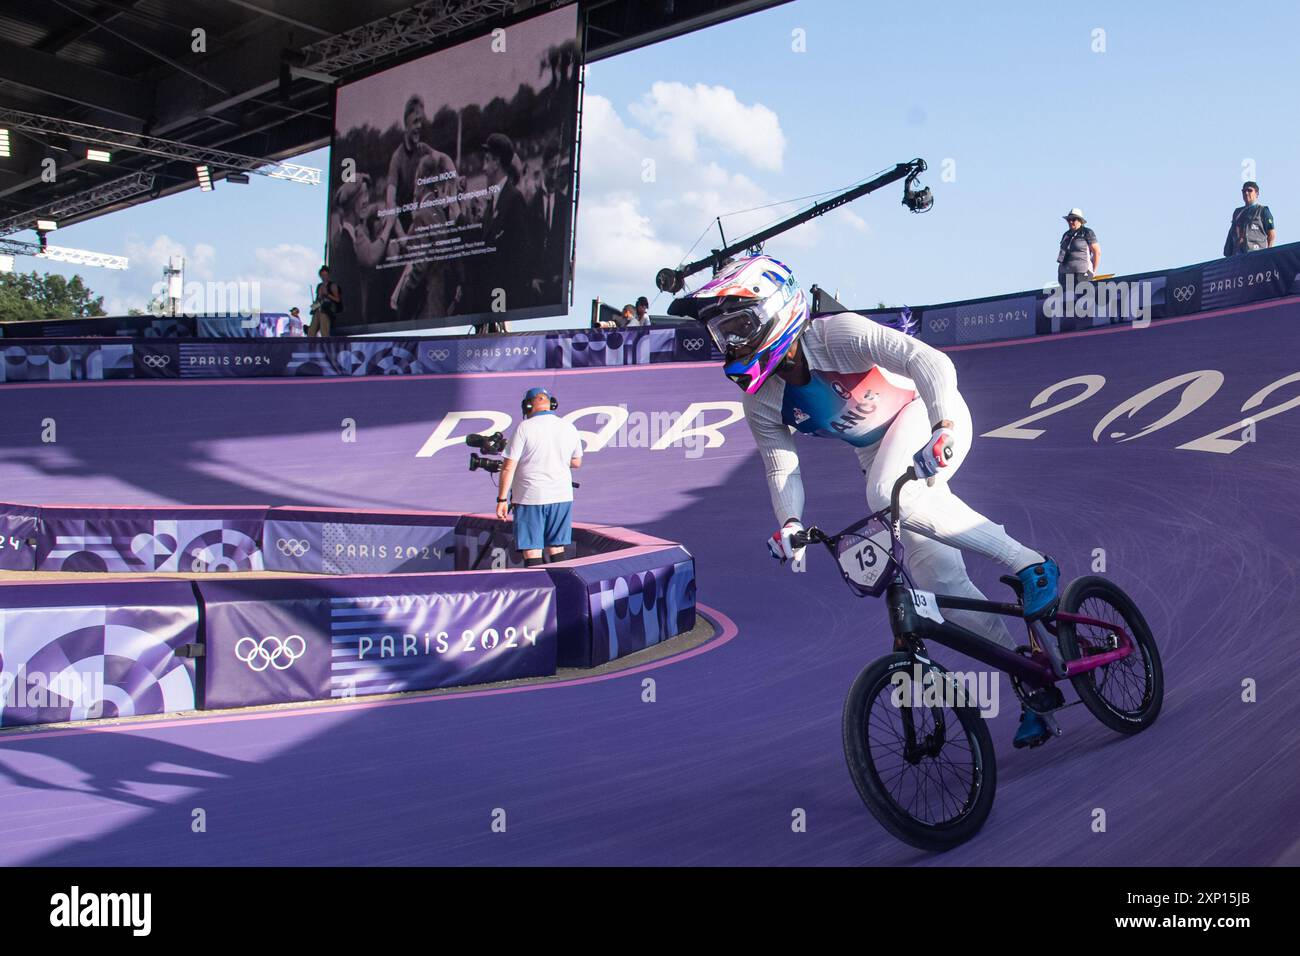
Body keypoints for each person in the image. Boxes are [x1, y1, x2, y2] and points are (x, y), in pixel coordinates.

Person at [674, 254, 1062, 749]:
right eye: (721, 333)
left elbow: (931, 362)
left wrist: (942, 423)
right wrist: (790, 523)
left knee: (883, 494)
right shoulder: (761, 399)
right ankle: (1033, 678)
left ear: (778, 309)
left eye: (739, 325)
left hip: (929, 416)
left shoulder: (836, 334)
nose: (730, 342)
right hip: (880, 452)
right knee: (942, 586)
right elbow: (780, 465)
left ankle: (1031, 564)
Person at [496, 387, 583, 566]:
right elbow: (576, 462)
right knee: (556, 547)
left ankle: (539, 593)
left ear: (528, 406)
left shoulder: (524, 427)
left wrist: (502, 499)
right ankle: (560, 590)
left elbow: (508, 467)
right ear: (552, 404)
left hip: (531, 497)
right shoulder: (569, 427)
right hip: (562, 496)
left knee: (532, 549)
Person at [478, 133, 530, 314]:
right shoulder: (494, 200)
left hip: (506, 300)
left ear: (497, 162)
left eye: (487, 160)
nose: (483, 168)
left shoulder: (514, 199)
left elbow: (521, 255)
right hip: (489, 298)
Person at [1226, 182, 1276, 256]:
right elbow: (1231, 234)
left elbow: (1271, 234)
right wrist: (1228, 253)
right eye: (1244, 191)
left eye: (1249, 190)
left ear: (1257, 193)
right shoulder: (1237, 212)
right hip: (1238, 256)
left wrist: (1268, 253)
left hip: (1257, 254)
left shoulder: (1263, 210)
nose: (1246, 193)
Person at [1057, 208, 1099, 285]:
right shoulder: (1066, 235)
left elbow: (1096, 252)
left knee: (1081, 295)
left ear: (1080, 220)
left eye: (1073, 219)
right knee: (1068, 296)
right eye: (1068, 220)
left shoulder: (1087, 232)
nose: (1070, 222)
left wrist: (1093, 271)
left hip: (1082, 273)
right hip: (1064, 275)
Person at [309, 265, 342, 337]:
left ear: (328, 275)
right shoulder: (319, 286)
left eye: (325, 275)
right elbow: (318, 299)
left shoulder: (332, 285)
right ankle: (310, 345)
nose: (324, 277)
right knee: (311, 331)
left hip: (327, 311)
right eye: (322, 275)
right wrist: (313, 307)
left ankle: (326, 346)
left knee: (324, 331)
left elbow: (338, 300)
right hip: (318, 310)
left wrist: (327, 294)